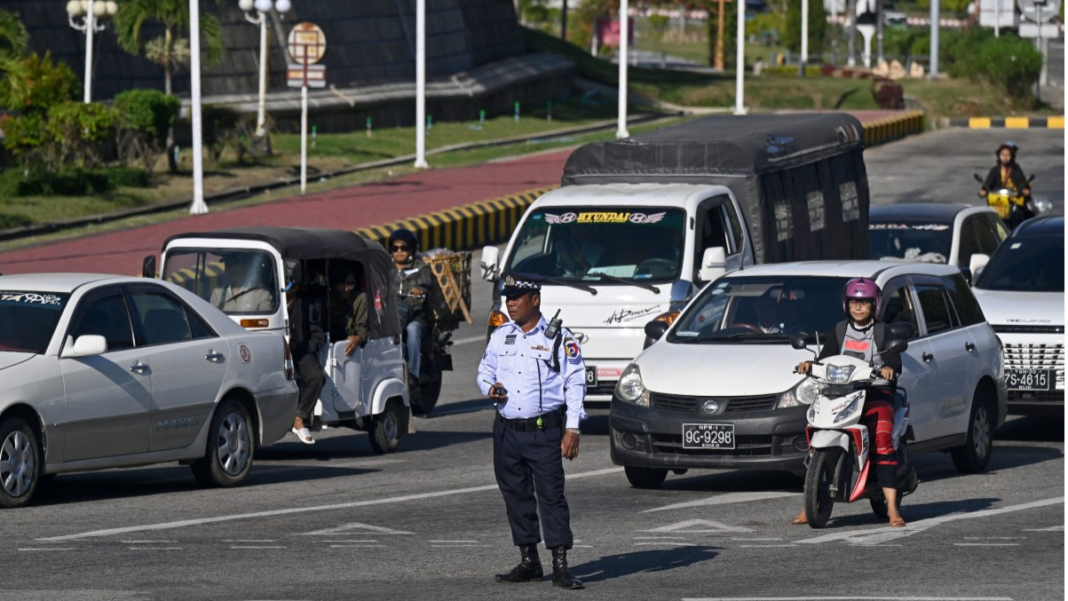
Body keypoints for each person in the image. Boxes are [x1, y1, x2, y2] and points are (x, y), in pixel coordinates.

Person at [477, 274, 588, 590]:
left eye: (516, 297)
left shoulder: (558, 338)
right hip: (507, 432)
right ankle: (529, 560)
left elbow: (575, 382)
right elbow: (485, 371)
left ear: (534, 299)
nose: (510, 303)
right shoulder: (502, 335)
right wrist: (491, 388)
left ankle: (561, 567)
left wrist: (573, 429)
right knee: (515, 495)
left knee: (551, 497)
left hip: (544, 432)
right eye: (507, 297)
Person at [793, 278, 907, 528]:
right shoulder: (839, 330)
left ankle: (892, 509)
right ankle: (808, 505)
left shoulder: (882, 331)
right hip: (843, 394)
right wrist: (809, 366)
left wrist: (888, 368)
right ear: (846, 304)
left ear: (874, 305)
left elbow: (894, 360)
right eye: (854, 302)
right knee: (817, 436)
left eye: (864, 303)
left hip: (877, 395)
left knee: (883, 443)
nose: (858, 307)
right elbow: (825, 359)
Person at [389, 229, 432, 389]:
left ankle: (413, 375)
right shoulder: (387, 269)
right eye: (395, 248)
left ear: (412, 249)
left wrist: (420, 289)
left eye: (404, 248)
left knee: (412, 331)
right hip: (392, 313)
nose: (399, 252)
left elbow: (426, 282)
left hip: (415, 316)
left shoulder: (420, 267)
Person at [286, 277, 326, 445]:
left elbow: (318, 336)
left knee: (317, 377)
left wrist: (300, 346)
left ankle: (299, 416)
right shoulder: (267, 303)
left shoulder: (305, 306)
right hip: (272, 350)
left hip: (299, 352)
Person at [979, 141, 1033, 228]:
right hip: (999, 203)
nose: (1005, 157)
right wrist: (984, 191)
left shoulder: (1016, 169)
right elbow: (988, 183)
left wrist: (1024, 190)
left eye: (1007, 155)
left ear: (1012, 156)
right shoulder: (995, 170)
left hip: (1014, 204)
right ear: (999, 156)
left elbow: (1022, 183)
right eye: (1003, 155)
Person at [210, 253, 274, 313]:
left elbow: (266, 321)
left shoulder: (261, 294)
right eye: (227, 265)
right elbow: (212, 318)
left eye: (233, 265)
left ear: (244, 267)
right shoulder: (217, 293)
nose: (228, 269)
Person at [327, 269, 369, 358]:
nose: (346, 289)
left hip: (347, 348)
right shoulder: (324, 301)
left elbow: (362, 328)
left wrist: (357, 338)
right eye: (341, 284)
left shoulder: (359, 299)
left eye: (350, 284)